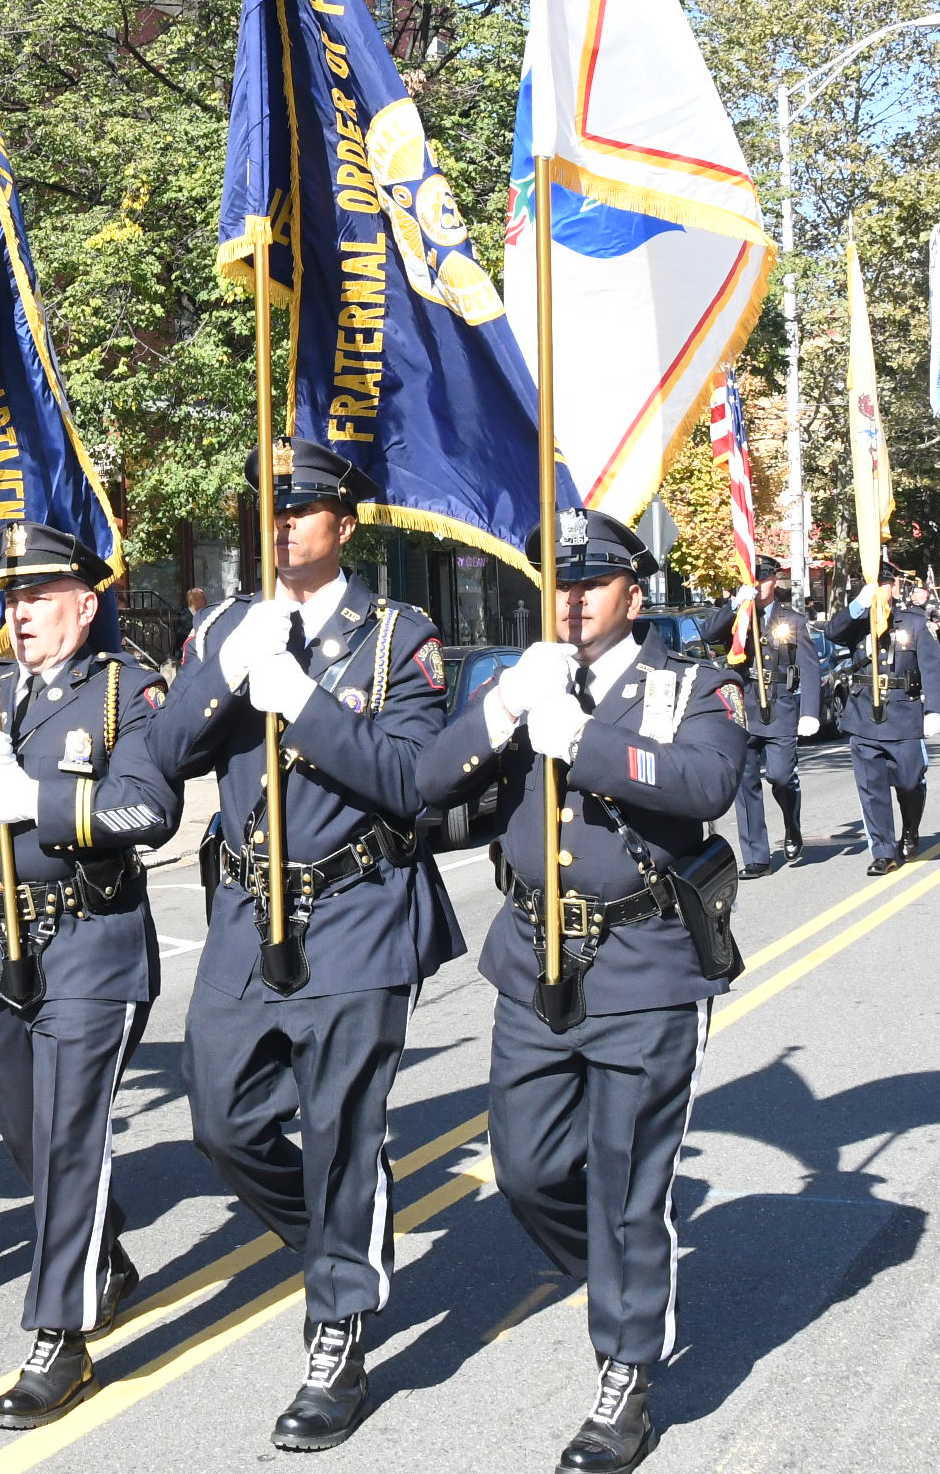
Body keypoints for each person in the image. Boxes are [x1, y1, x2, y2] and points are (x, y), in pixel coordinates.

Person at [77, 437, 460, 1451]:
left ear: (344, 522)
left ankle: (338, 1324)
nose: (282, 524)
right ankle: (340, 1237)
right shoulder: (225, 628)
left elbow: (413, 779)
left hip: (357, 908)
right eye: (271, 509)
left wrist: (303, 700)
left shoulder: (397, 637)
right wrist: (226, 674)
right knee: (222, 1119)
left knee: (340, 1128)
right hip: (247, 914)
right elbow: (164, 753)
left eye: (302, 508)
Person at [416, 508, 747, 1473]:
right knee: (525, 1168)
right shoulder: (525, 680)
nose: (568, 601)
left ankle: (625, 1374)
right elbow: (431, 783)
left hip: (643, 965)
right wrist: (506, 712)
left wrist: (586, 742)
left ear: (632, 595)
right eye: (555, 585)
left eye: (589, 583)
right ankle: (618, 1276)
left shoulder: (691, 685)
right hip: (532, 961)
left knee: (630, 1184)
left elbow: (707, 784)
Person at [0, 523, 169, 1428]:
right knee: (20, 1123)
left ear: (84, 607)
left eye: (37, 598)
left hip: (90, 944)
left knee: (66, 1138)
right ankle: (102, 1252)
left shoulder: (125, 688)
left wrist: (41, 803)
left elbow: (150, 807)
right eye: (11, 599)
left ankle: (60, 1336)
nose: (19, 615)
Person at [695, 556, 822, 877]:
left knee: (781, 776)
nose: (759, 586)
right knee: (745, 784)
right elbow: (709, 635)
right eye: (753, 580)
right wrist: (735, 604)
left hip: (780, 707)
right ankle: (756, 857)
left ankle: (792, 825)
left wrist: (810, 712)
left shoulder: (791, 619)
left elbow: (809, 667)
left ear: (774, 580)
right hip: (743, 707)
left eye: (764, 579)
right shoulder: (739, 615)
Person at [823, 564, 940, 877]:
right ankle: (882, 851)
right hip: (863, 715)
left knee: (909, 781)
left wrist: (934, 710)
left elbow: (931, 668)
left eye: (884, 585)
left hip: (903, 714)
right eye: (874, 585)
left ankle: (910, 828)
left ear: (894, 587)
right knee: (871, 789)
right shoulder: (858, 622)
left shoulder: (914, 622)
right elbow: (832, 632)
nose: (880, 591)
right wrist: (858, 604)